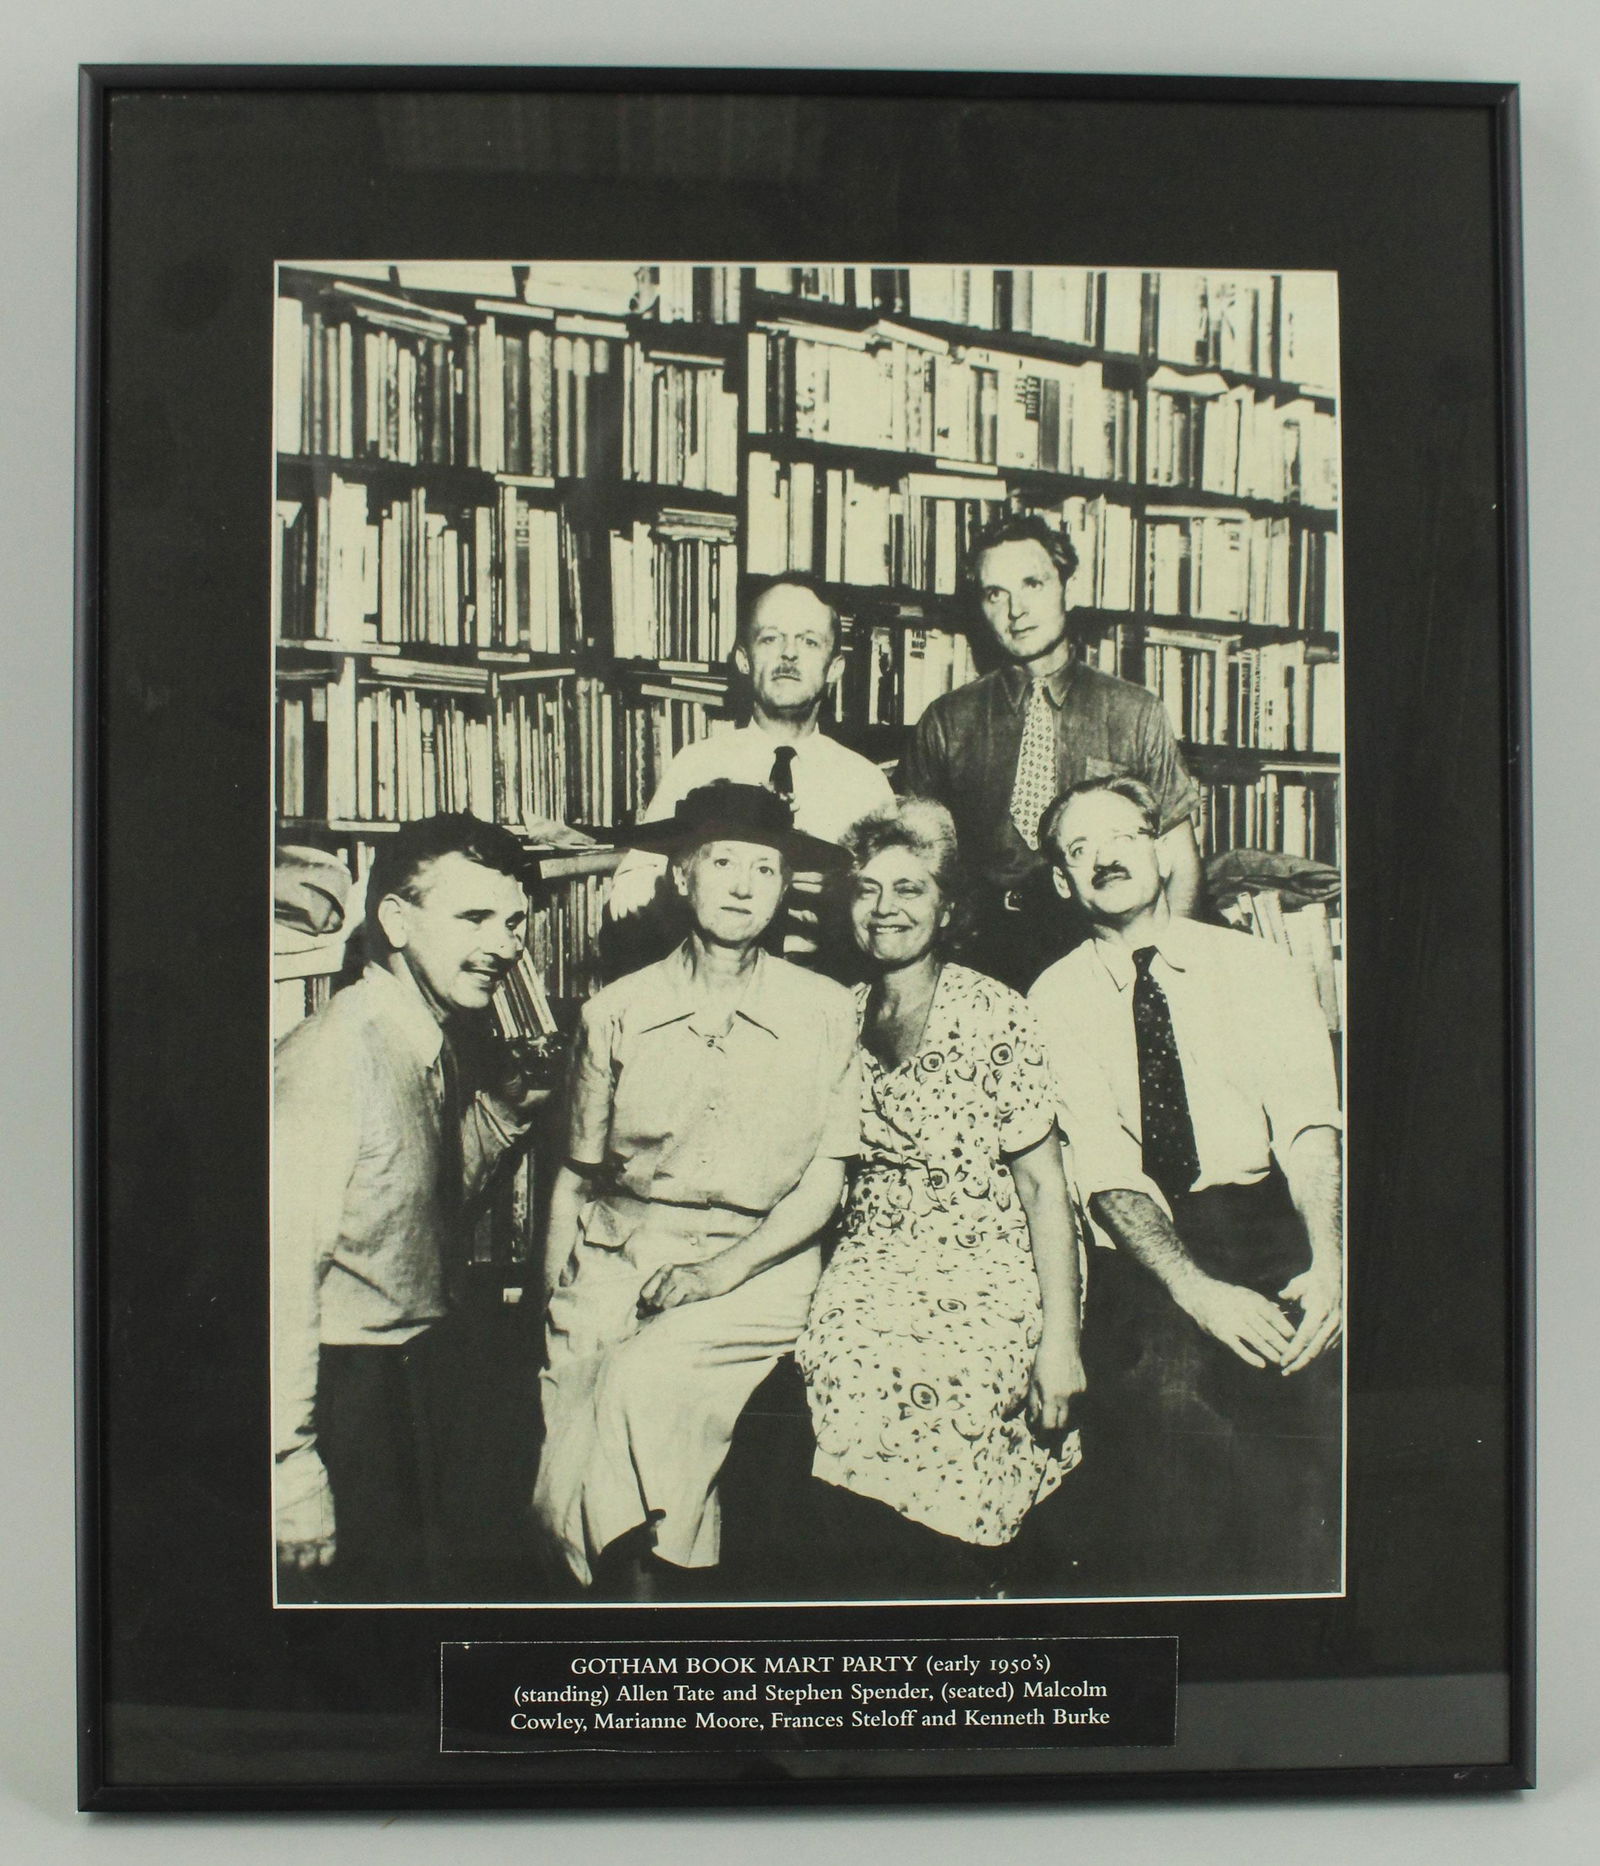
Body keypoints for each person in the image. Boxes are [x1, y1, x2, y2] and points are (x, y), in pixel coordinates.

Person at [534, 781, 861, 1597]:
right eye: (722, 863)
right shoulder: (617, 1010)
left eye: (766, 869)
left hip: (760, 1263)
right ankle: (631, 1621)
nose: (745, 887)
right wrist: (555, 1299)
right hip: (621, 1251)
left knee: (640, 1384)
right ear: (681, 877)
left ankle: (650, 1619)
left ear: (788, 891)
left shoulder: (826, 1012)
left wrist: (717, 1275)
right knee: (575, 1400)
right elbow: (576, 1177)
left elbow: (824, 1181)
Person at [1025, 776, 1343, 1596]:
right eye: (1079, 850)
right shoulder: (1052, 999)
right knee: (1168, 1407)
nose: (1104, 859)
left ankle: (1308, 1637)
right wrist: (1199, 1292)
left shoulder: (1257, 967)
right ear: (1062, 881)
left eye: (1122, 837)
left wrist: (1331, 1261)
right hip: (1149, 1244)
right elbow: (1106, 1174)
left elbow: (1309, 1126)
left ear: (1162, 851)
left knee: (1322, 1405)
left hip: (1268, 1220)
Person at [795, 798, 1086, 1599]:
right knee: (841, 1368)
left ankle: (976, 1591)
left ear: (948, 908)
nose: (885, 909)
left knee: (955, 1377)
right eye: (866, 890)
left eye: (909, 890)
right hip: (876, 1252)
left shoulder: (998, 1014)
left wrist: (1060, 1340)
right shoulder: (838, 1014)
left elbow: (1043, 1186)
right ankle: (894, 1602)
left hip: (994, 1250)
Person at [272, 813, 546, 1601]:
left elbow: (405, 1201)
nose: (506, 944)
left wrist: (498, 1116)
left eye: (516, 921)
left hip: (417, 1379)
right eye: (474, 918)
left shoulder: (425, 1038)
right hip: (347, 1397)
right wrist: (290, 1472)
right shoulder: (333, 1057)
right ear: (395, 920)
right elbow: (281, 1279)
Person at [900, 511, 1203, 991]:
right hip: (976, 958)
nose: (1015, 609)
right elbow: (912, 861)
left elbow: (1179, 862)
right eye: (995, 594)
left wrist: (1161, 977)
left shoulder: (1133, 711)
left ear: (1070, 590)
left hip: (1103, 951)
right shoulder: (946, 721)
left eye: (1033, 584)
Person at [604, 576, 893, 968]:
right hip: (716, 977)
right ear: (744, 659)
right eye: (770, 638)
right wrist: (660, 888)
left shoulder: (865, 783)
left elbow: (887, 906)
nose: (789, 654)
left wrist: (841, 898)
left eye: (809, 641)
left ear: (835, 667)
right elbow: (633, 885)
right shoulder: (698, 762)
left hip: (830, 980)